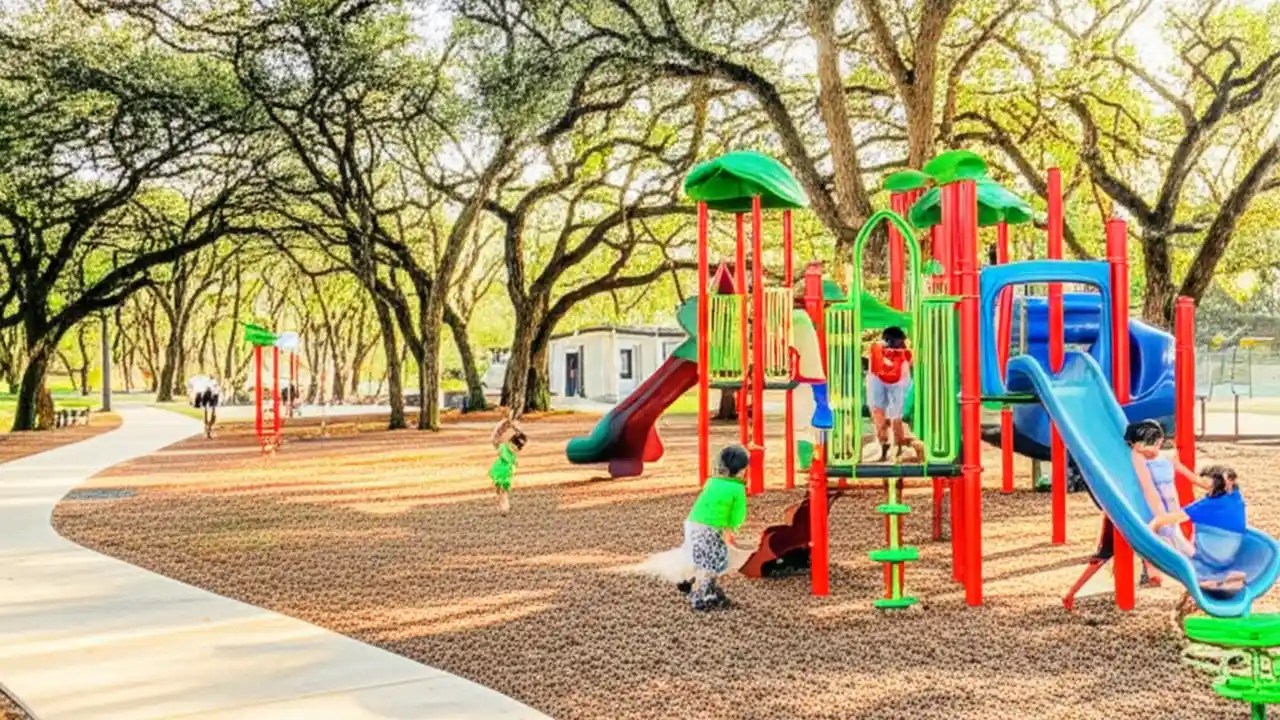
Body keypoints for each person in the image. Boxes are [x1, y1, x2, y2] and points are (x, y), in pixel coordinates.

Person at [1150, 464, 1247, 594]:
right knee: (1187, 546)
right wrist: (1178, 465)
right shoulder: (1234, 495)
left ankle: (1214, 580)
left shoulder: (1205, 506)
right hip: (1231, 552)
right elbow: (1199, 481)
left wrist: (1152, 526)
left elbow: (1171, 518)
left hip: (1212, 555)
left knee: (1186, 564)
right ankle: (1230, 575)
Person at [677, 444, 750, 611]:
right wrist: (732, 529)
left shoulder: (711, 481)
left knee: (699, 556)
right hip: (711, 529)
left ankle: (689, 579)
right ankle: (702, 595)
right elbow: (738, 514)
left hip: (693, 524)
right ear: (742, 470)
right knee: (715, 560)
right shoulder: (738, 488)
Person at [866, 326, 917, 461]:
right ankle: (897, 449)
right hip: (896, 380)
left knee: (879, 415)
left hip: (879, 379)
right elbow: (911, 362)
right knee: (896, 417)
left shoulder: (876, 349)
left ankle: (884, 446)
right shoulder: (904, 353)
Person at [488, 409, 527, 515]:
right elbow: (497, 437)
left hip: (503, 470)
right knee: (501, 490)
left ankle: (504, 507)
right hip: (505, 469)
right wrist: (508, 423)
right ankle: (503, 506)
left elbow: (495, 438)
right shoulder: (509, 450)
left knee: (501, 490)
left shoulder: (505, 448)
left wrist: (507, 423)